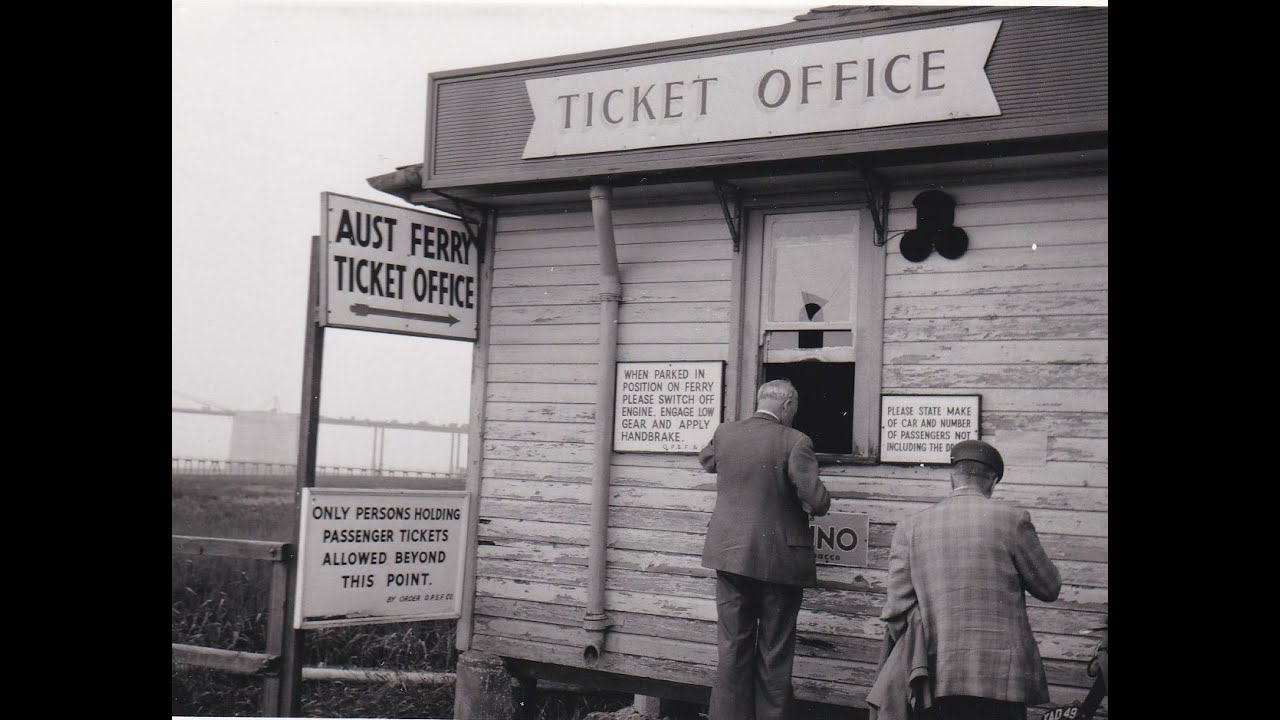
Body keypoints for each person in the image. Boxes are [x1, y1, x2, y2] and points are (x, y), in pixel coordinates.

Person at [878, 439, 1062, 720]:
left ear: (953, 477)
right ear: (991, 482)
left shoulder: (911, 527)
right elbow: (1049, 588)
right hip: (1003, 679)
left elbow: (896, 610)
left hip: (938, 674)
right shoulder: (1012, 520)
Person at [697, 378, 831, 720]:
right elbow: (817, 503)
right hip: (780, 562)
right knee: (774, 651)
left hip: (729, 555)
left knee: (732, 647)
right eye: (794, 411)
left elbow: (707, 461)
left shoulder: (726, 433)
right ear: (787, 406)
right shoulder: (796, 441)